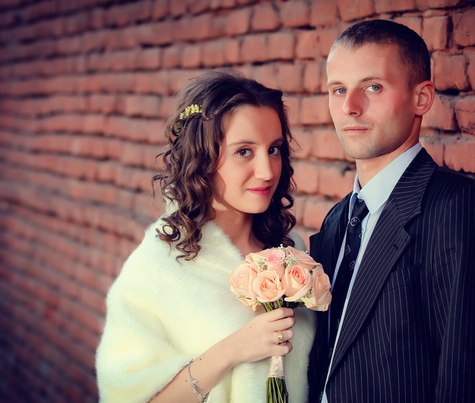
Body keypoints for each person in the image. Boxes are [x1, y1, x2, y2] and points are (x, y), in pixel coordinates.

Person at [308, 19, 475, 403]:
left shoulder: (463, 210)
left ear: (421, 98)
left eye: (372, 87)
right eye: (338, 90)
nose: (349, 107)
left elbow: (469, 381)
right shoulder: (337, 220)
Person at [96, 70, 315, 403]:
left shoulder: (291, 251)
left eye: (274, 149)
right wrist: (233, 349)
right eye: (244, 151)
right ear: (202, 158)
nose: (267, 171)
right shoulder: (157, 267)